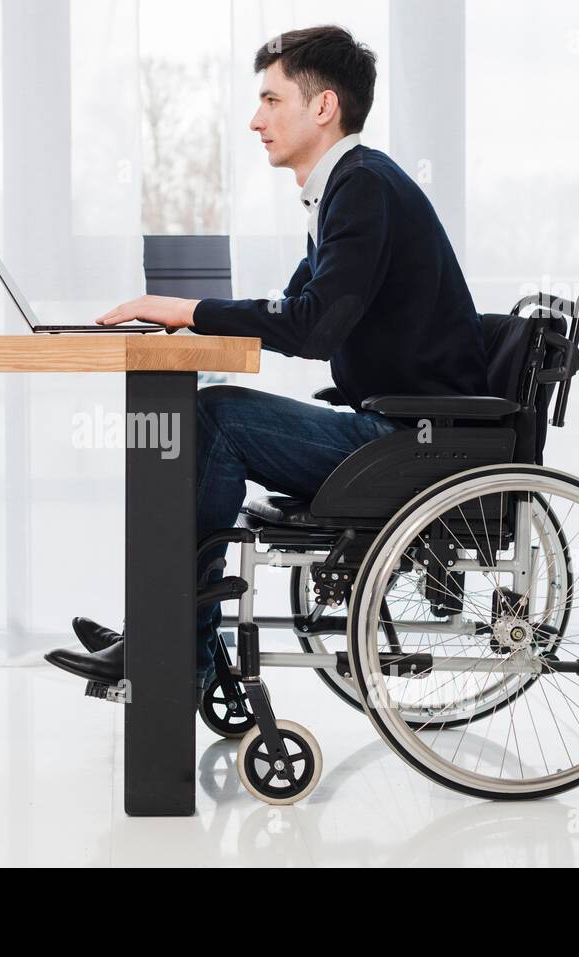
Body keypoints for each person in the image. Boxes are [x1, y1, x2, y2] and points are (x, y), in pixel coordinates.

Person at [44, 24, 488, 704]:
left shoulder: (362, 188)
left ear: (323, 106)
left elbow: (311, 326)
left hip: (412, 444)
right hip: (399, 429)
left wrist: (187, 311)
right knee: (210, 413)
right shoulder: (349, 188)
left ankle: (172, 649)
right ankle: (166, 635)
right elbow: (298, 306)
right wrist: (189, 312)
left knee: (214, 417)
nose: (256, 120)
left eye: (271, 100)